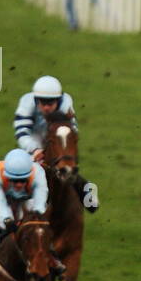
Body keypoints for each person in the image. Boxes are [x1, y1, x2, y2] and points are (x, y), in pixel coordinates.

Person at [0, 149, 60, 275]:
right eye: (14, 180)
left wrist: (37, 217)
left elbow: (40, 199)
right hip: (5, 199)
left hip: (28, 199)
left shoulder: (37, 173)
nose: (19, 184)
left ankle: (52, 256)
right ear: (7, 175)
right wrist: (7, 219)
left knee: (37, 228)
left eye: (23, 180)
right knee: (3, 226)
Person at [13, 75, 98, 212]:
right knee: (18, 170)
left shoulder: (66, 102)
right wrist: (34, 149)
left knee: (68, 169)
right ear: (36, 100)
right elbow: (21, 131)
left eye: (50, 103)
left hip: (56, 142)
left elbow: (72, 130)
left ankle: (87, 193)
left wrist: (63, 151)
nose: (46, 107)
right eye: (42, 103)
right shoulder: (26, 102)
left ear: (58, 101)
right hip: (33, 141)